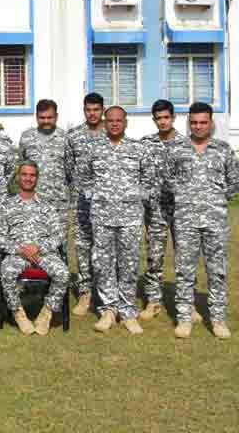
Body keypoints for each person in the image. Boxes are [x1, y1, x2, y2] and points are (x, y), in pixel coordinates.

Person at [165, 102, 237, 339]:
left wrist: (214, 197)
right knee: (185, 271)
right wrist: (185, 195)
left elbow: (234, 181)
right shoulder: (177, 148)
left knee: (217, 271)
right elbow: (168, 179)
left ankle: (217, 320)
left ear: (211, 123)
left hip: (215, 220)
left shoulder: (223, 149)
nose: (198, 126)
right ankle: (184, 319)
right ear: (189, 123)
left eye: (203, 122)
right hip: (186, 220)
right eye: (194, 122)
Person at [82, 106, 155, 334]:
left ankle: (128, 311)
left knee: (129, 264)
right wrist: (96, 197)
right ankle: (107, 310)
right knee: (103, 264)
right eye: (110, 120)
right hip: (102, 216)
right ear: (105, 122)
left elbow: (149, 179)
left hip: (130, 217)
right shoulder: (93, 149)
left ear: (126, 122)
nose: (114, 124)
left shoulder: (138, 149)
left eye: (119, 120)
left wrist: (134, 198)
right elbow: (83, 177)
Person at [0, 161, 68, 336]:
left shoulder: (47, 206)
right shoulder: (6, 205)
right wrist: (20, 249)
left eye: (32, 175)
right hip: (17, 254)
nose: (28, 178)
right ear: (18, 177)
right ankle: (19, 314)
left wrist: (39, 248)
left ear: (37, 178)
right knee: (6, 272)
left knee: (63, 273)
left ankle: (46, 313)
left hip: (44, 253)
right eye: (25, 174)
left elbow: (58, 235)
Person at [137, 99, 179, 321]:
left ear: (173, 118)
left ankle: (186, 304)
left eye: (166, 117)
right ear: (154, 120)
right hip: (154, 211)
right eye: (158, 118)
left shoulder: (185, 144)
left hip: (183, 211)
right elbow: (138, 175)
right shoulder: (145, 144)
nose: (162, 122)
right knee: (154, 256)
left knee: (184, 258)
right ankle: (153, 300)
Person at [64, 92, 105, 316]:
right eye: (88, 110)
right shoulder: (74, 136)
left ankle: (107, 293)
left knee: (106, 250)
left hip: (108, 204)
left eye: (96, 110)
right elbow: (69, 169)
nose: (92, 114)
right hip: (82, 203)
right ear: (84, 110)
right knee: (82, 248)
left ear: (102, 110)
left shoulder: (112, 133)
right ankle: (85, 293)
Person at [17, 99, 69, 239]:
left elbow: (70, 170)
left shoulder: (65, 138)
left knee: (59, 243)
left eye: (50, 117)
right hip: (32, 200)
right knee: (32, 241)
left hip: (58, 202)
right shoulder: (26, 137)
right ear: (36, 117)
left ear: (56, 117)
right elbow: (22, 164)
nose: (46, 121)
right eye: (42, 117)